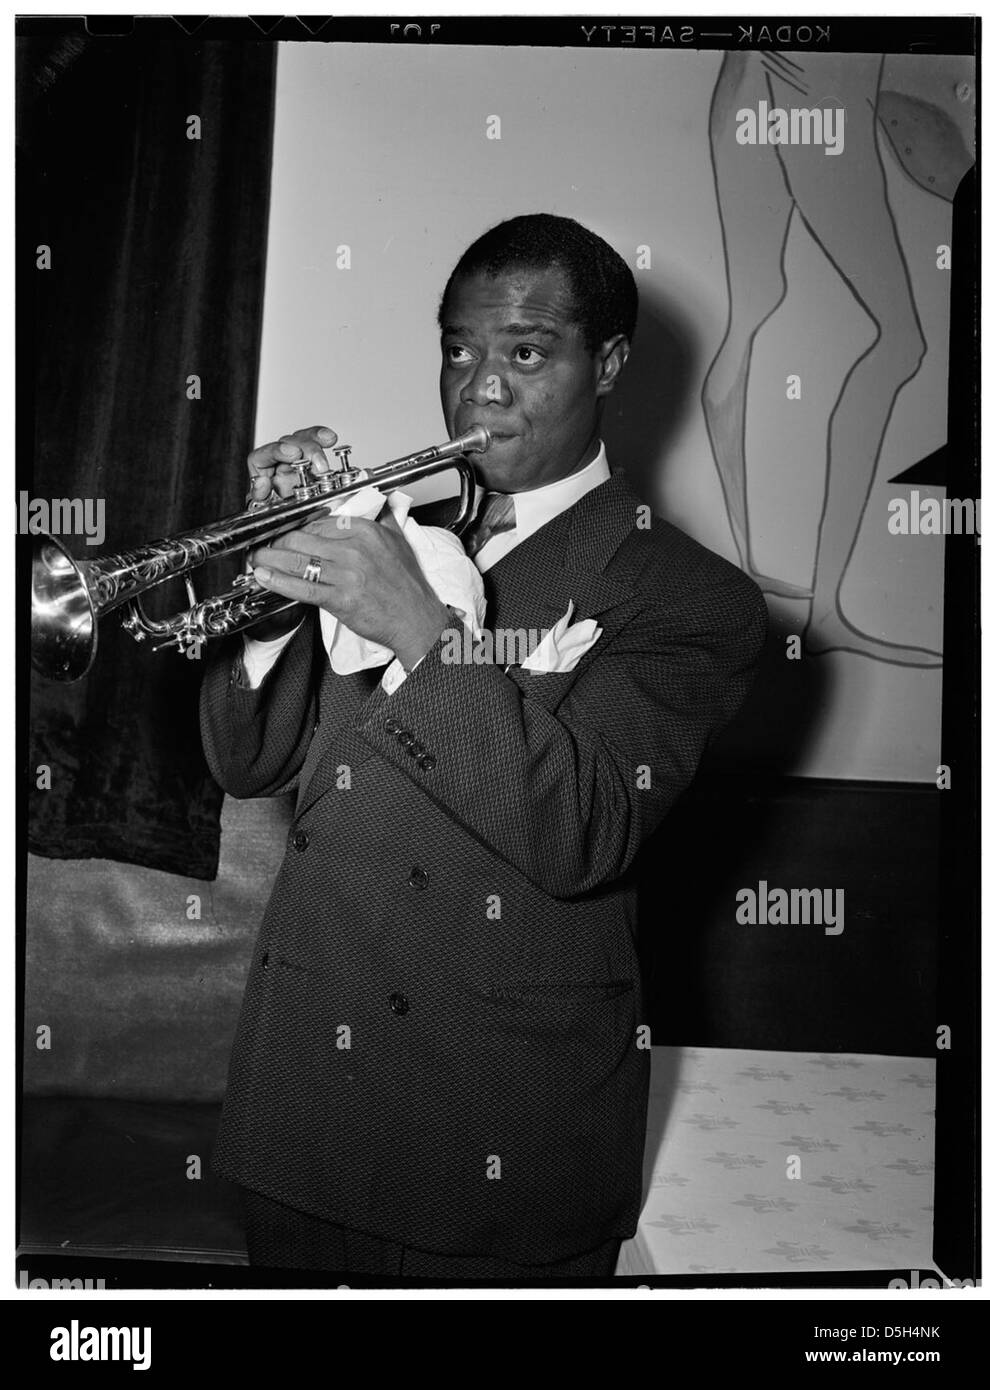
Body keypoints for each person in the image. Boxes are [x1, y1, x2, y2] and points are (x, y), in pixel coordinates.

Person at [200, 213, 768, 1280]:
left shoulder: (693, 598)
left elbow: (584, 829)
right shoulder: (406, 531)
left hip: (490, 1124)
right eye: (458, 348)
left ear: (607, 365)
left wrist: (418, 626)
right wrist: (276, 587)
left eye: (523, 351)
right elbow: (248, 763)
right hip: (302, 1100)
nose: (479, 388)